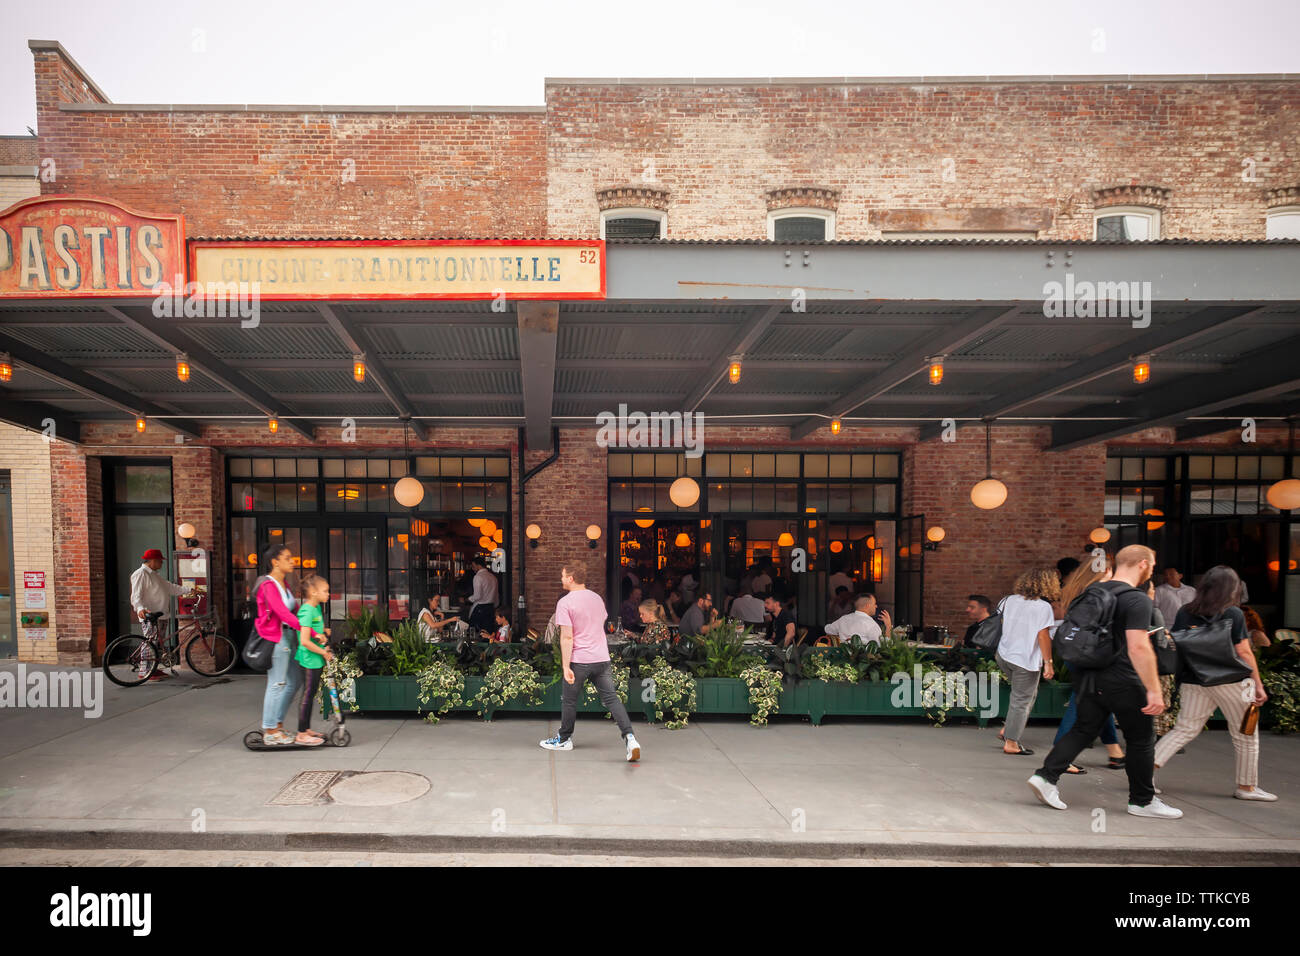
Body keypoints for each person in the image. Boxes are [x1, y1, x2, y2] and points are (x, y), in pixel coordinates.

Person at [1029, 545, 1183, 819]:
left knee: (1084, 728)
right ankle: (1142, 801)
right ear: (1144, 564)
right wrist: (1153, 689)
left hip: (1088, 674)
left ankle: (1046, 777)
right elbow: (1138, 647)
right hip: (1122, 677)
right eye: (1153, 563)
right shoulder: (1136, 600)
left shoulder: (1091, 592)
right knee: (1141, 739)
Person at [1153, 565, 1275, 802]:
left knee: (1184, 729)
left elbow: (1178, 643)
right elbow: (1244, 652)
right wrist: (1258, 684)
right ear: (1232, 589)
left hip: (1194, 679)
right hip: (1231, 681)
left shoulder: (1185, 611)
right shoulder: (1233, 613)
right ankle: (1246, 787)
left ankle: (1144, 776)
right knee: (1245, 735)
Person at [540, 560, 642, 761]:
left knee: (569, 700)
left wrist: (565, 665)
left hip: (580, 659)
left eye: (562, 575)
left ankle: (564, 739)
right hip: (601, 657)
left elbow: (567, 637)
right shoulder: (597, 598)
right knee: (612, 698)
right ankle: (630, 738)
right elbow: (598, 623)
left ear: (570, 578)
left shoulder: (565, 602)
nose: (561, 579)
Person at [1052, 562, 1127, 773]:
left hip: (1073, 650)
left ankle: (1114, 752)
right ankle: (1061, 752)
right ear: (1105, 572)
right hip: (1091, 653)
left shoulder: (1076, 591)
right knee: (1082, 700)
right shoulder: (1102, 593)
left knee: (1098, 699)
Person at [995, 568, 1059, 756]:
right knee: (1022, 700)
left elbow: (1001, 622)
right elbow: (1043, 636)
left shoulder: (1008, 600)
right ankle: (1011, 742)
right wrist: (1048, 662)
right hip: (1025, 659)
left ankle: (1008, 730)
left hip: (1004, 654)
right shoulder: (1042, 607)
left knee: (1025, 695)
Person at [257, 544, 306, 746]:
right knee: (277, 683)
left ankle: (277, 724)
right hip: (276, 639)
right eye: (287, 558)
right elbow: (282, 613)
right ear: (275, 562)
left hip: (289, 637)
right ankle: (269, 729)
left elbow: (295, 610)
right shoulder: (268, 585)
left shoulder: (283, 584)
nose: (292, 560)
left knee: (294, 681)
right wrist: (308, 630)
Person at [128, 548, 194, 681]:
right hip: (150, 615)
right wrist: (140, 608)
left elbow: (170, 587)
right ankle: (145, 672)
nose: (161, 564)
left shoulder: (154, 575)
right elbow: (136, 595)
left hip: (162, 615)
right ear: (153, 561)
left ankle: (153, 668)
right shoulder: (140, 574)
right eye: (160, 561)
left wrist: (190, 590)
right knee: (150, 643)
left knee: (156, 643)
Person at [293, 574, 333, 746]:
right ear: (314, 592)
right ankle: (301, 733)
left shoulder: (316, 608)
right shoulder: (307, 610)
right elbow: (304, 640)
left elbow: (312, 633)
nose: (329, 594)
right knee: (307, 696)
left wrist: (322, 634)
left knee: (311, 694)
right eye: (325, 591)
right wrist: (323, 653)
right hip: (309, 659)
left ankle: (307, 729)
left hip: (315, 659)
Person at [466, 557, 498, 634]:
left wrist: (467, 599)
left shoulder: (478, 577)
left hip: (480, 609)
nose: (473, 568)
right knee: (488, 633)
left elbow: (477, 596)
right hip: (491, 608)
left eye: (473, 566)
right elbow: (496, 597)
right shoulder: (493, 577)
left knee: (475, 633)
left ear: (479, 565)